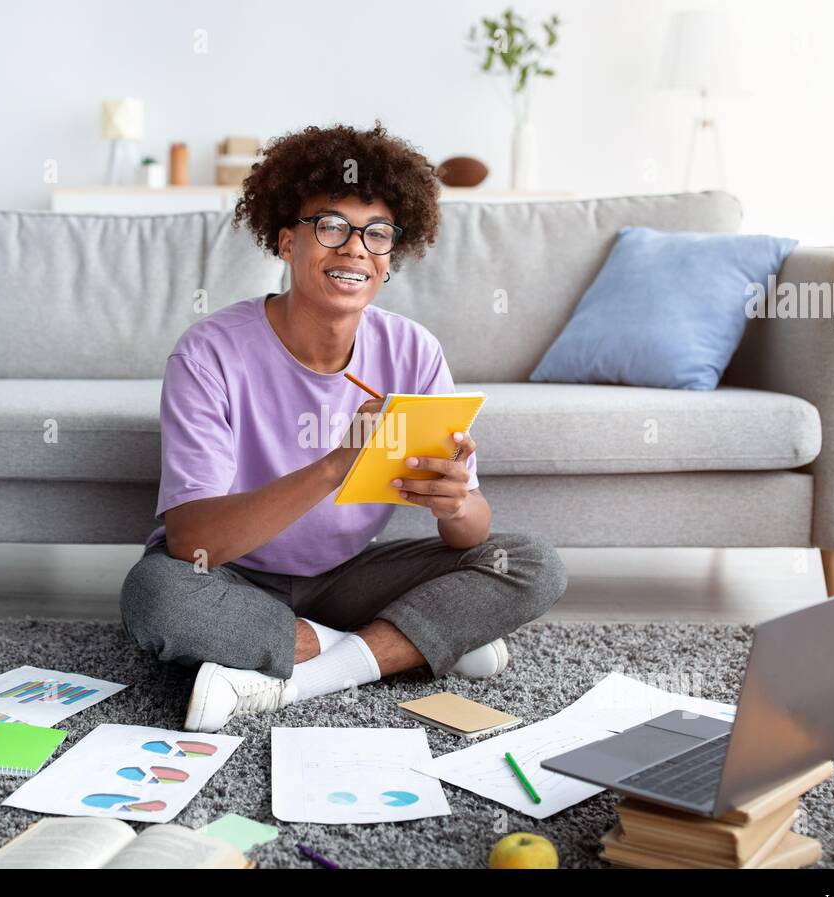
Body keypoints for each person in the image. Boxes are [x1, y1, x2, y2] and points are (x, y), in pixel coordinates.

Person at [121, 121, 568, 732]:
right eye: (331, 227)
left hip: (346, 577)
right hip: (229, 578)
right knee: (156, 596)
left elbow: (471, 533)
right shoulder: (210, 354)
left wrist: (455, 503)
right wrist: (337, 463)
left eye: (377, 234)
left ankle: (310, 668)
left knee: (529, 564)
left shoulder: (413, 350)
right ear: (286, 243)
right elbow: (192, 544)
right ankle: (403, 643)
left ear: (388, 259)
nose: (356, 247)